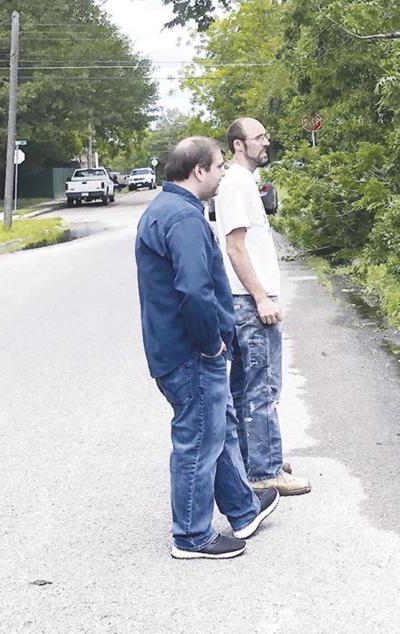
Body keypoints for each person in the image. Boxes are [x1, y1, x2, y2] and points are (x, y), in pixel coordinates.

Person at [135, 136, 280, 558]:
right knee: (198, 438)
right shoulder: (182, 219)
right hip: (190, 352)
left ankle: (242, 508)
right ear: (198, 170)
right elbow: (195, 292)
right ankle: (192, 535)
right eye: (218, 167)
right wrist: (212, 344)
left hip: (175, 349)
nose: (222, 175)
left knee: (213, 430)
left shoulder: (167, 209)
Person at [214, 118, 311, 495]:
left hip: (245, 302)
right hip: (251, 304)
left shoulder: (241, 183)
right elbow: (235, 247)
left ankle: (258, 456)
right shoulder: (237, 184)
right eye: (259, 138)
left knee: (245, 387)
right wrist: (260, 298)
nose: (266, 142)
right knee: (262, 388)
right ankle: (266, 471)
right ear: (239, 145)